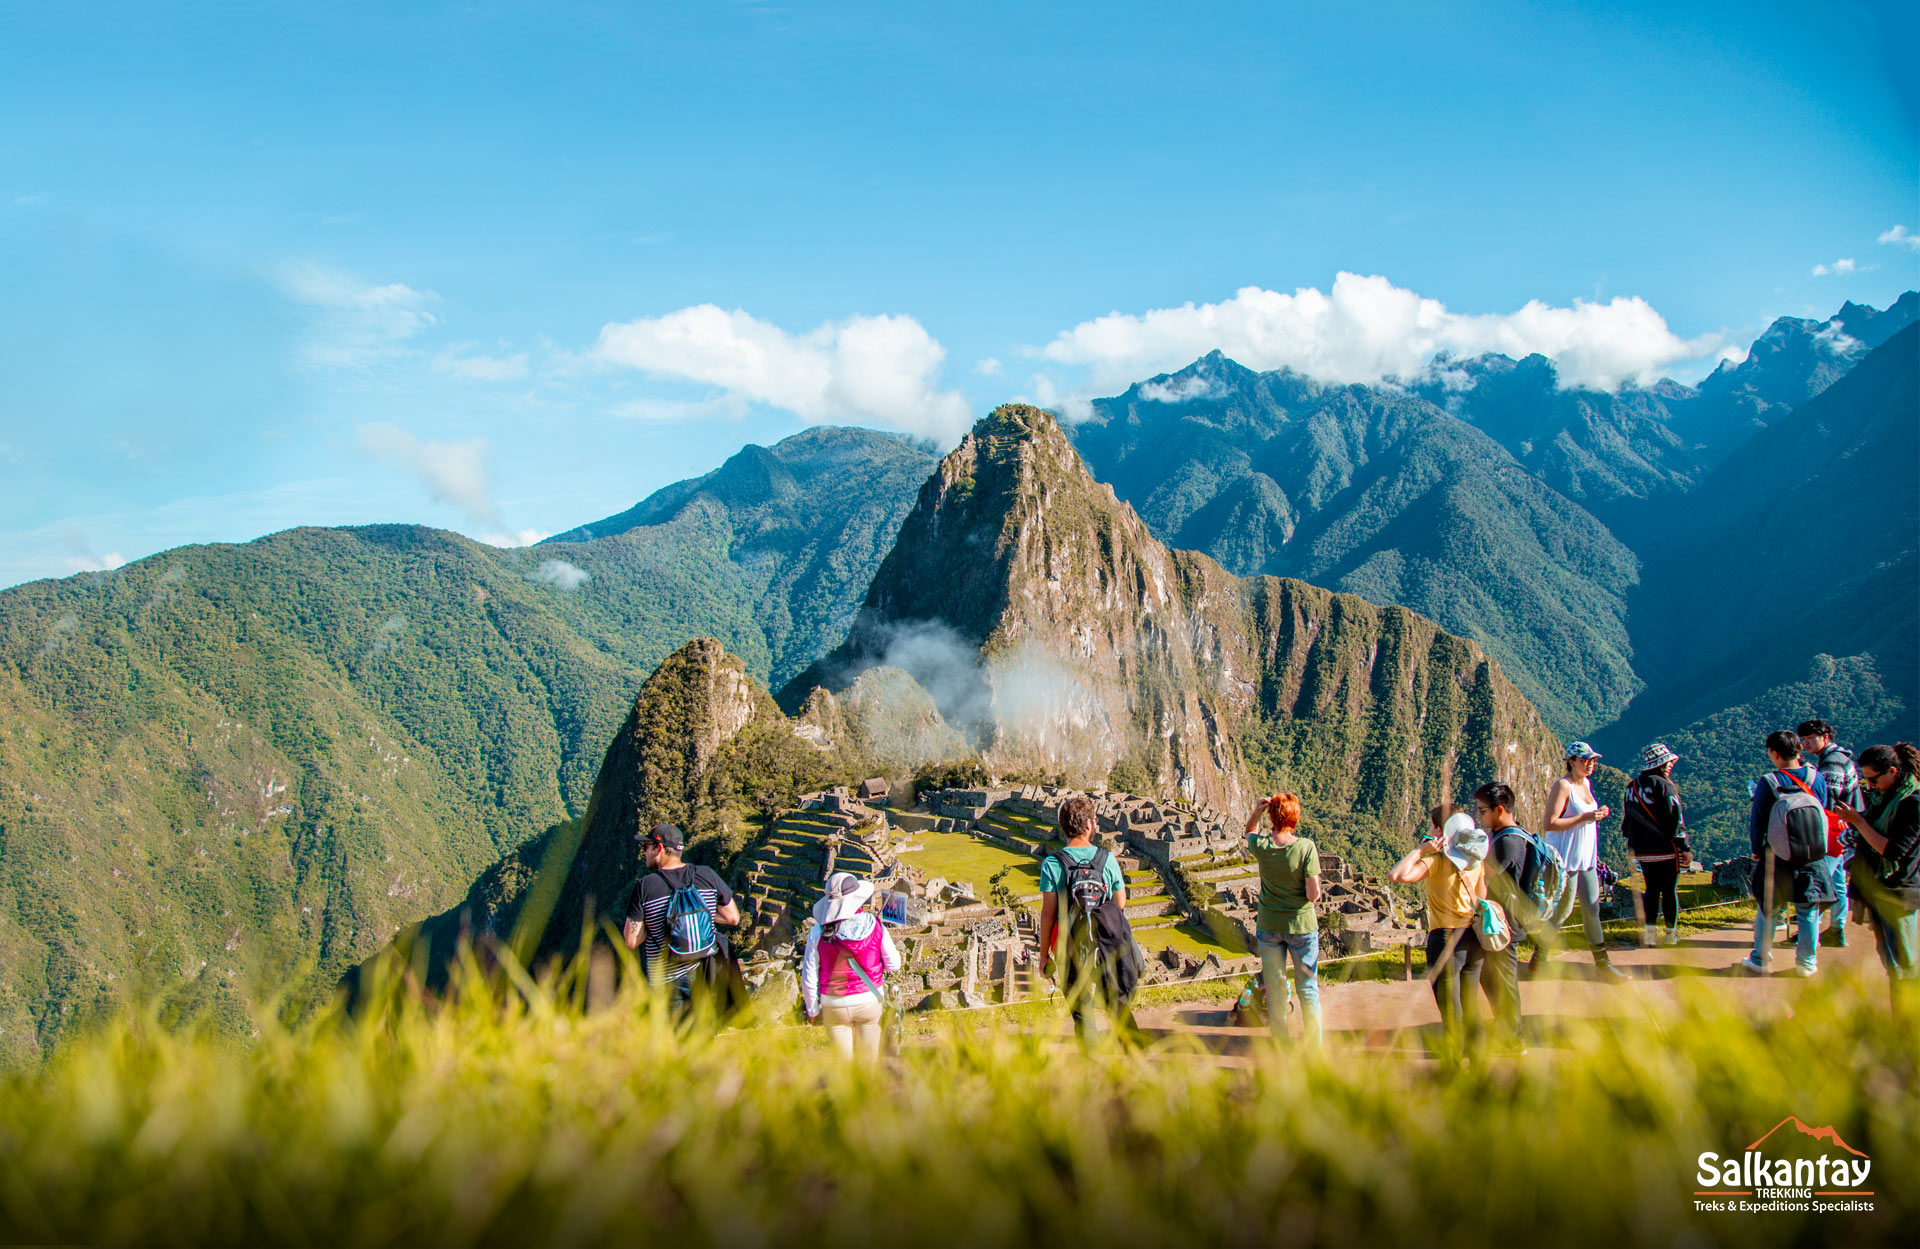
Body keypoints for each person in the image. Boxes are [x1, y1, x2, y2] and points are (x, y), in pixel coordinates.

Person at [1390, 805, 1488, 1066]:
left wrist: (1421, 850)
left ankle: (1453, 1068)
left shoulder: (1435, 861)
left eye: (1432, 827)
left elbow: (1397, 875)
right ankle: (1480, 1064)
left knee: (1451, 1010)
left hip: (1444, 939)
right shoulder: (1477, 861)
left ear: (1438, 831)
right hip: (1474, 939)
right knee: (1470, 1005)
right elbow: (1482, 895)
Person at [1039, 794, 1140, 1041]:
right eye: (1095, 820)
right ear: (1088, 825)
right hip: (1105, 946)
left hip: (1069, 948)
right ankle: (1138, 1064)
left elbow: (1048, 914)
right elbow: (1120, 902)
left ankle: (1092, 1070)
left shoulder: (1052, 864)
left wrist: (1044, 955)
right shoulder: (1107, 859)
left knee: (1083, 1015)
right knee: (1117, 1007)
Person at [1737, 731, 1833, 977]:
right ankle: (1807, 963)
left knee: (1767, 907)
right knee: (1808, 908)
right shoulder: (1816, 777)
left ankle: (1760, 958)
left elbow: (1758, 821)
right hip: (1812, 853)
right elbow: (1824, 810)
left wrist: (1757, 849)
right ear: (1799, 751)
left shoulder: (1769, 782)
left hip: (1778, 854)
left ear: (1775, 753)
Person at [623, 822, 742, 1018]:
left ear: (659, 848)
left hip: (667, 983)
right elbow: (733, 918)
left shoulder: (646, 886)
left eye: (646, 847)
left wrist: (654, 923)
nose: (644, 852)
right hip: (706, 973)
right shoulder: (707, 875)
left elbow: (631, 940)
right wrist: (701, 915)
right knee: (702, 1037)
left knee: (672, 1041)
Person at [1833, 742, 1920, 999]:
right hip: (1878, 888)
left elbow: (1892, 851)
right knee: (1890, 961)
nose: (1869, 786)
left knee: (1905, 965)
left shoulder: (1912, 803)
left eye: (1873, 779)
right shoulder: (1885, 798)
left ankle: (1908, 1024)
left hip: (1899, 892)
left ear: (1893, 771)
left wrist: (1858, 822)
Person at [1241, 792, 1323, 1046]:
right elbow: (1313, 895)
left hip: (1269, 927)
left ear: (1272, 817)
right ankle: (1314, 1051)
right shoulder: (1306, 847)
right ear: (1295, 817)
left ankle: (1281, 1049)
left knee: (1276, 994)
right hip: (1301, 927)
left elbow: (1249, 831)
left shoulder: (1262, 847)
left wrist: (1257, 811)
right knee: (1308, 990)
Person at [1540, 743, 1627, 982]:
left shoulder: (1586, 784)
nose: (1590, 764)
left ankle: (1603, 964)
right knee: (1562, 912)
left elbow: (1585, 819)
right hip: (1566, 861)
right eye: (1585, 760)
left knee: (1592, 909)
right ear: (1572, 761)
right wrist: (1586, 817)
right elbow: (1550, 823)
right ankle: (1539, 958)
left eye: (1593, 760)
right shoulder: (1562, 786)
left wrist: (1597, 815)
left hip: (1586, 859)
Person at [801, 871, 903, 1061]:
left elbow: (809, 977)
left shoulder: (818, 932)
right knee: (868, 1060)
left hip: (833, 1002)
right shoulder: (874, 925)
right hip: (869, 999)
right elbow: (894, 964)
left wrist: (812, 1010)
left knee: (841, 1064)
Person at [1472, 782, 1536, 1054]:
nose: (1479, 816)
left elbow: (1484, 876)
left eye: (1482, 811)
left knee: (1505, 981)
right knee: (1490, 976)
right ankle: (1505, 1029)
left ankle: (1513, 1039)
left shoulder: (1507, 842)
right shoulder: (1513, 835)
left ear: (1500, 810)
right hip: (1503, 920)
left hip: (1504, 924)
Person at [1799, 719, 1862, 947]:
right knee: (1836, 882)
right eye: (1803, 739)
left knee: (1817, 883)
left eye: (1810, 738)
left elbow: (1826, 801)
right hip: (1845, 832)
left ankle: (1809, 935)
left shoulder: (1832, 764)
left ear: (1824, 737)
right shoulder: (1839, 758)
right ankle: (1836, 929)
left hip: (1834, 831)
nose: (1806, 743)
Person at [1621, 743, 1690, 947]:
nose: (1670, 766)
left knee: (1651, 890)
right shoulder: (1665, 786)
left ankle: (1649, 934)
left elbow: (1627, 822)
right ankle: (1670, 934)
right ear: (1661, 764)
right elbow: (1675, 819)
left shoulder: (1631, 787)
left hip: (1642, 850)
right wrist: (1684, 847)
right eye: (1668, 763)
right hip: (1665, 848)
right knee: (1669, 891)